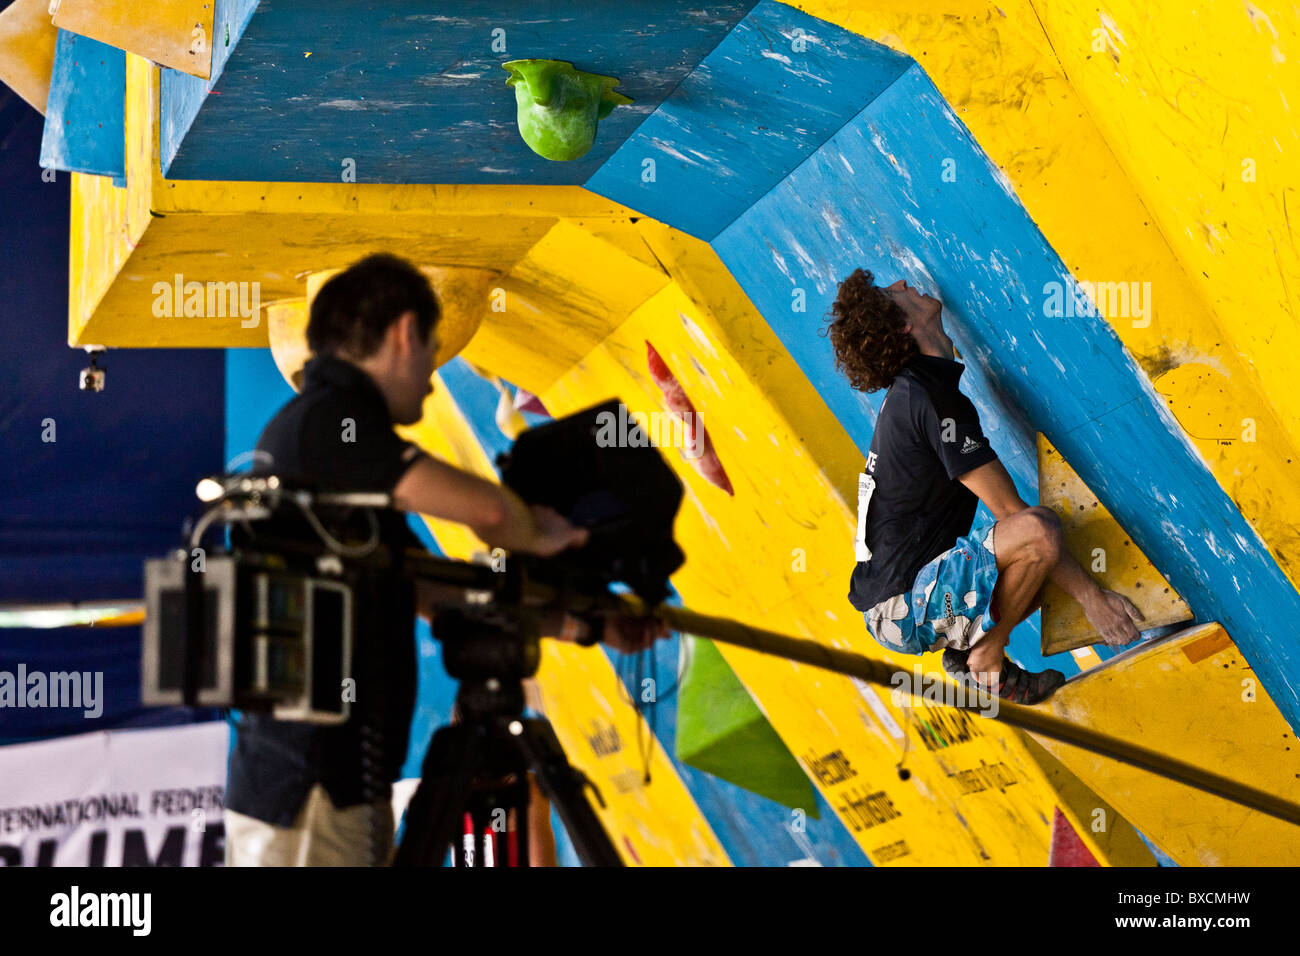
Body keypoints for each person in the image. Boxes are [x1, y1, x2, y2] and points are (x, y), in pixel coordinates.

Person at [223, 253, 665, 865]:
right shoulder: (329, 422)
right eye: (432, 352)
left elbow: (441, 597)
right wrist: (542, 533)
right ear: (406, 333)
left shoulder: (340, 485)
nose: (431, 381)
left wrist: (591, 625)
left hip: (333, 788)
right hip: (308, 793)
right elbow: (489, 514)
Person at [825, 268, 1142, 704]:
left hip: (906, 599)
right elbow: (1013, 515)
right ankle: (985, 656)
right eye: (892, 293)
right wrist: (1093, 600)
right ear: (903, 325)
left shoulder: (918, 392)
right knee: (1040, 533)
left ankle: (970, 648)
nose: (901, 283)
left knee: (1046, 555)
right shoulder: (928, 400)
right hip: (904, 604)